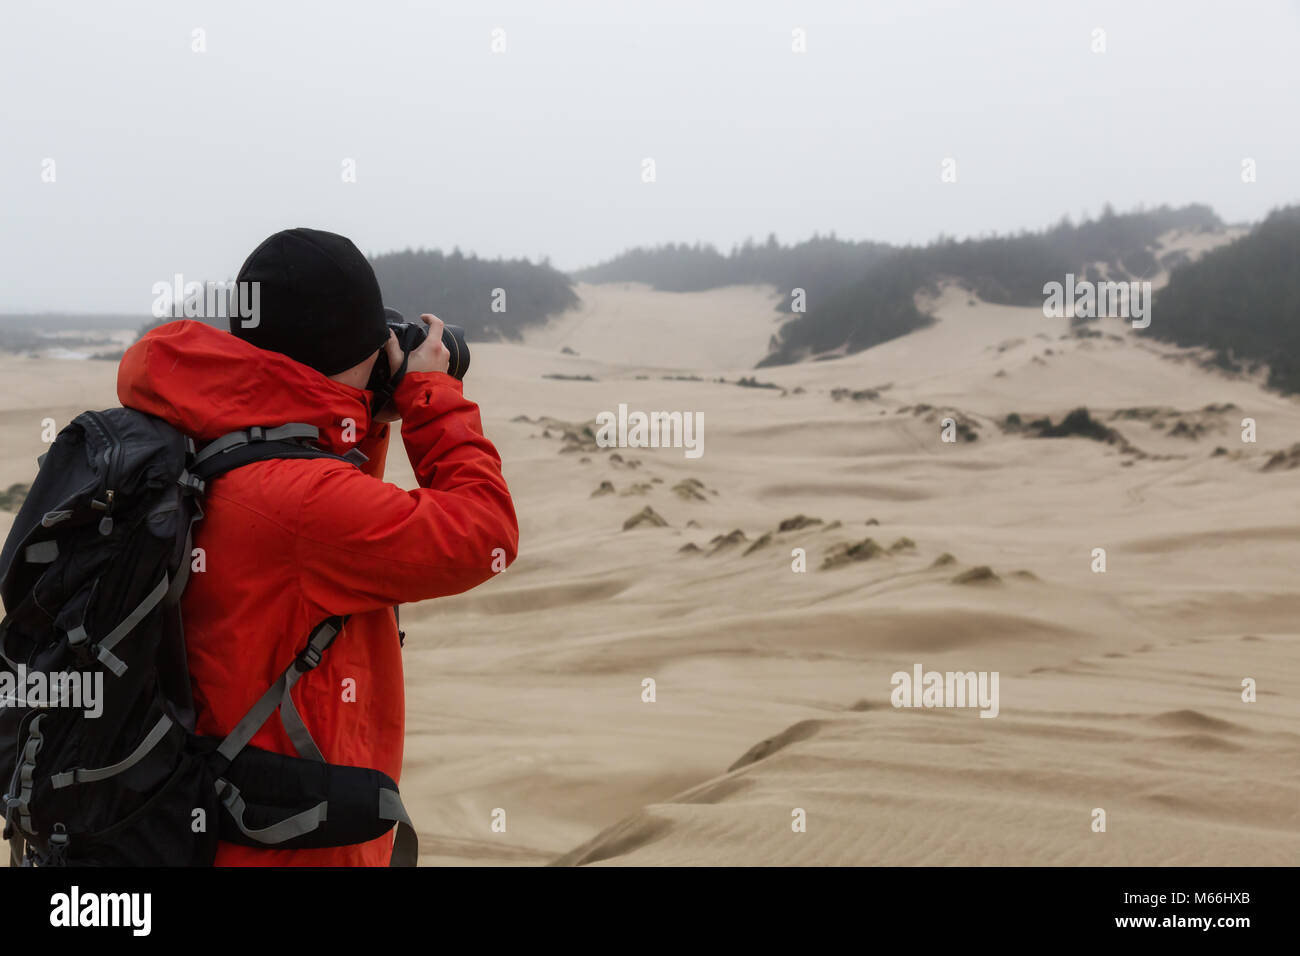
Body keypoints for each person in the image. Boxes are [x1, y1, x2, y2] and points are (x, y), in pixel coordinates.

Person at [116, 227, 519, 865]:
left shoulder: (197, 430)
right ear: (345, 351)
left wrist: (352, 411)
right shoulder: (303, 503)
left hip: (208, 828)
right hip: (287, 848)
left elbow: (321, 515)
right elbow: (485, 532)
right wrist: (429, 395)